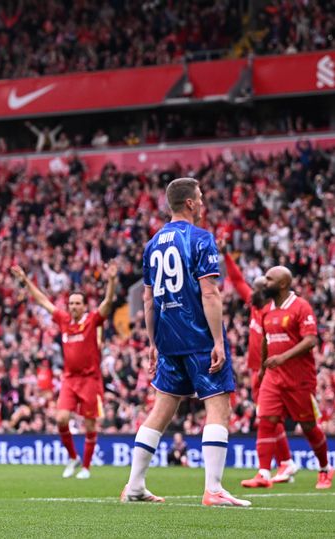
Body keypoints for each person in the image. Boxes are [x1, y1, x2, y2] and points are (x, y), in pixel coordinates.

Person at [120, 177, 250, 507]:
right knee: (218, 406)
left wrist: (153, 343)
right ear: (190, 203)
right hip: (198, 335)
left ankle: (134, 485)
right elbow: (210, 293)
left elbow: (148, 300)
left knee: (161, 409)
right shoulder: (201, 239)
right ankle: (214, 489)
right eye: (200, 198)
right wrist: (218, 340)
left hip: (168, 338)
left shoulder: (152, 244)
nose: (203, 203)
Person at [11, 262, 118, 479]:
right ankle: (72, 457)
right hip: (69, 378)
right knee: (61, 418)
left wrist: (112, 280)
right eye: (71, 303)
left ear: (84, 306)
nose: (73, 306)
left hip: (89, 379)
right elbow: (42, 301)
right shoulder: (64, 320)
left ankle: (86, 467)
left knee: (90, 424)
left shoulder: (92, 320)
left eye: (77, 303)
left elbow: (107, 303)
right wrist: (25, 281)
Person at [221, 246, 298, 486]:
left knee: (268, 416)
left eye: (256, 289)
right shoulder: (256, 306)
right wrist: (226, 255)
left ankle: (279, 465)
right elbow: (236, 280)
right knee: (269, 417)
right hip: (258, 370)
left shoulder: (271, 310)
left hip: (271, 370)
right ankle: (285, 462)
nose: (251, 292)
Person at [252, 266, 332, 489]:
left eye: (269, 279)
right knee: (266, 419)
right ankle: (263, 473)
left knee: (308, 426)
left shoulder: (301, 307)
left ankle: (325, 468)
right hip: (273, 376)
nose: (264, 283)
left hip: (299, 378)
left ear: (283, 284)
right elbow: (266, 340)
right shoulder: (267, 310)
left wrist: (283, 357)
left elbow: (311, 340)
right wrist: (262, 368)